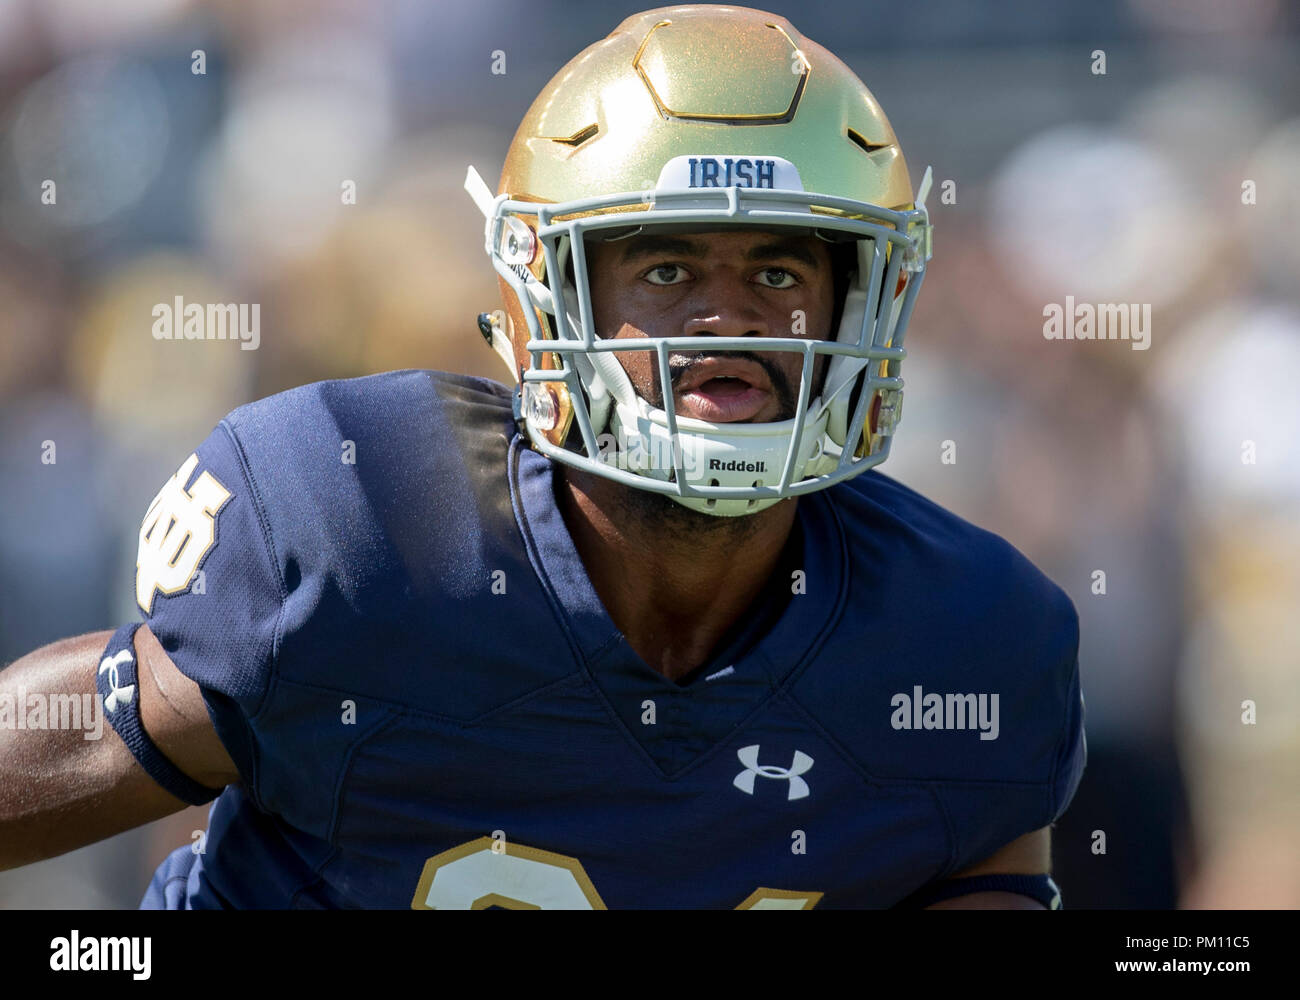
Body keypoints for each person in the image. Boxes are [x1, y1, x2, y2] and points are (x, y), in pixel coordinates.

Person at [0, 5, 1083, 909]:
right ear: (545, 295)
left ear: (866, 296)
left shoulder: (967, 642)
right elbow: (83, 749)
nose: (727, 320)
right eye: (664, 272)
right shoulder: (369, 529)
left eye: (778, 271)